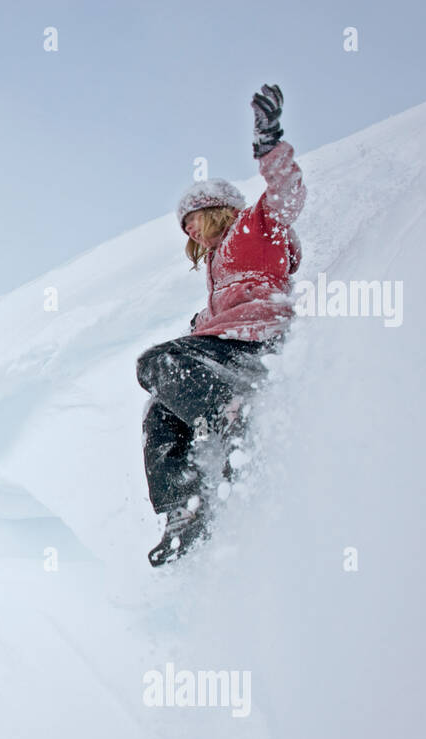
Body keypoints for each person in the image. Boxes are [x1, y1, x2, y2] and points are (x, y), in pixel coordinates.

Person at [138, 83, 306, 566]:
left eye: (193, 218)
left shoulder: (256, 228)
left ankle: (230, 420)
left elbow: (287, 195)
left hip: (255, 343)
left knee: (159, 362)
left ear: (218, 210)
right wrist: (200, 323)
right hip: (225, 346)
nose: (188, 231)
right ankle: (183, 508)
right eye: (184, 226)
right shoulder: (213, 272)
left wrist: (269, 143)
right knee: (159, 411)